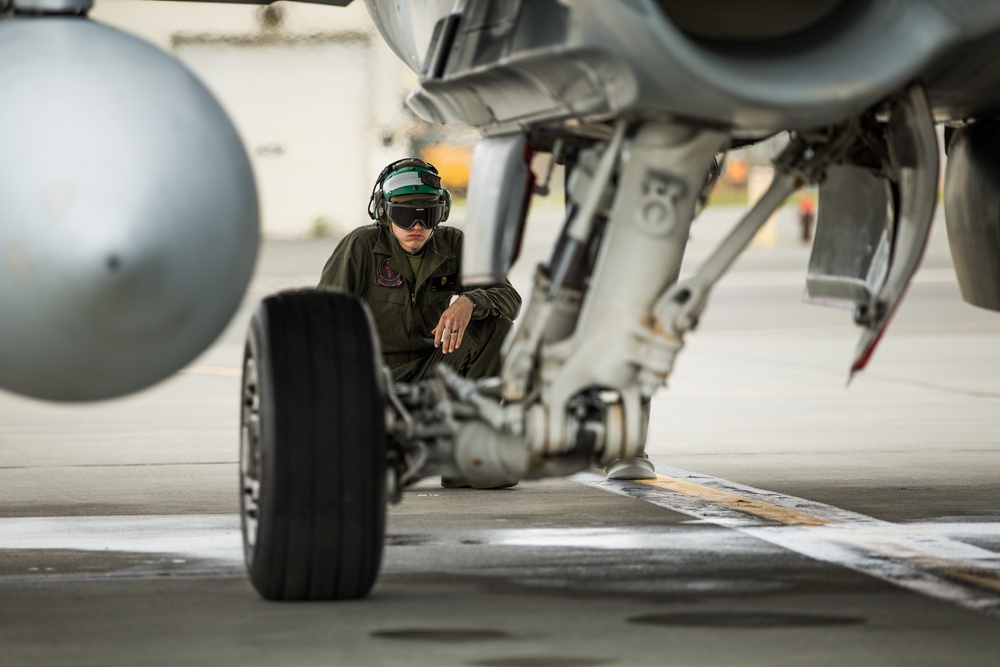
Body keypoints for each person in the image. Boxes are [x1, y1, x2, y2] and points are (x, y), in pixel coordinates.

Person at [318, 158, 521, 489]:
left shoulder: (453, 245)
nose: (416, 225)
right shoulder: (361, 247)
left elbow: (509, 298)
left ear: (441, 213)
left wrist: (470, 301)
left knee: (495, 327)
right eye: (404, 214)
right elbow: (322, 322)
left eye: (427, 214)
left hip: (432, 371)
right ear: (384, 213)